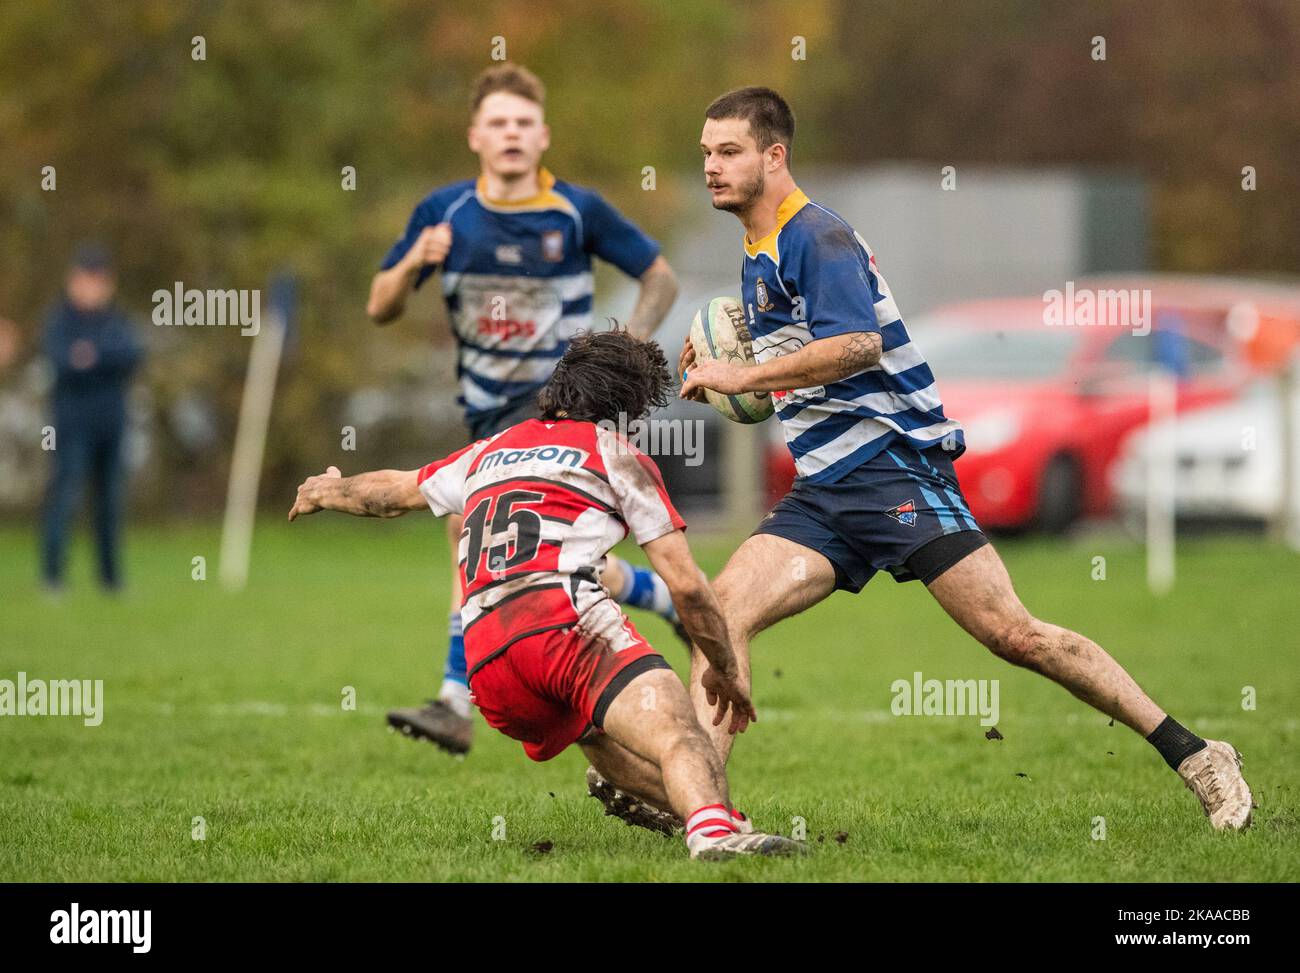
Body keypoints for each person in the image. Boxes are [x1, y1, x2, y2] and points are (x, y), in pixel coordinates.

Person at [586, 86, 1253, 834]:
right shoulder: (756, 250)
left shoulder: (816, 237)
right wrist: (735, 392)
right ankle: (704, 813)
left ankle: (1199, 753)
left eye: (729, 151)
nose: (710, 166)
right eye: (705, 152)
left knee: (1017, 635)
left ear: (775, 156)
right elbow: (803, 378)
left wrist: (741, 375)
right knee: (718, 615)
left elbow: (855, 347)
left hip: (897, 472)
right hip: (823, 493)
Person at [288, 330, 803, 860]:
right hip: (563, 629)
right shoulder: (616, 455)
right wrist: (723, 666)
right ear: (627, 410)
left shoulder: (491, 449)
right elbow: (689, 587)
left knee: (598, 733)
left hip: (487, 663)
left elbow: (392, 493)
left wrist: (330, 490)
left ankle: (720, 820)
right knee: (679, 733)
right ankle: (713, 837)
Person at [367, 63, 682, 755]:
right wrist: (412, 260)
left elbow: (659, 275)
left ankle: (456, 699)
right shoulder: (443, 214)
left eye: (523, 123)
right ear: (475, 136)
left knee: (469, 532)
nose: (511, 134)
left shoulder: (576, 211)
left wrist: (628, 341)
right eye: (498, 123)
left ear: (543, 136)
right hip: (485, 409)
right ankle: (664, 598)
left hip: (559, 404)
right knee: (532, 552)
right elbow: (380, 307)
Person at [40, 243, 144, 593]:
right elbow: (62, 363)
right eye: (86, 278)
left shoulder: (116, 321)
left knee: (109, 503)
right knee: (64, 497)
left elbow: (130, 356)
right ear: (74, 279)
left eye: (99, 280)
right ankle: (53, 576)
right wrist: (100, 361)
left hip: (110, 425)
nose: (92, 287)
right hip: (71, 426)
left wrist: (92, 357)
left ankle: (110, 579)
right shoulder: (59, 321)